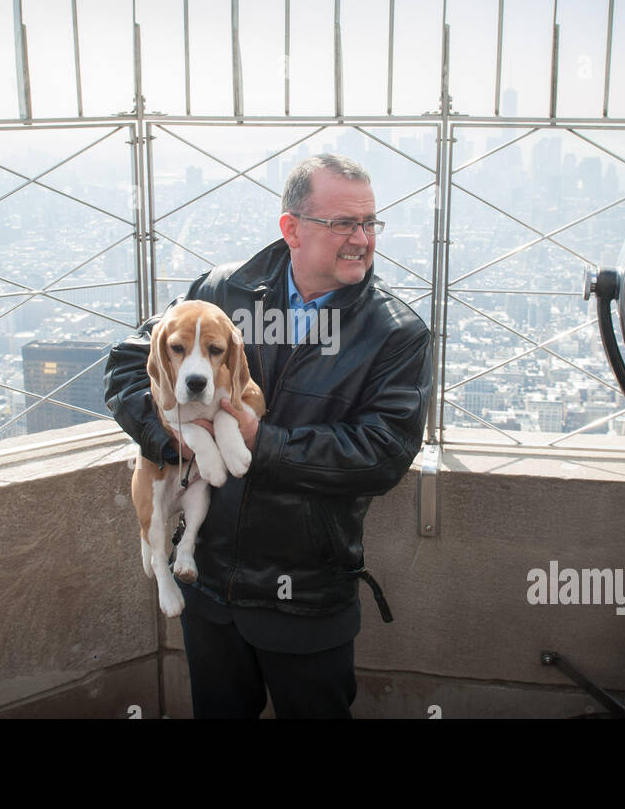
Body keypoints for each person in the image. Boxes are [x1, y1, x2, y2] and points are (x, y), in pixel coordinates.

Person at [103, 154, 432, 718]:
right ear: (292, 228)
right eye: (343, 224)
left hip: (308, 598)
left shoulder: (395, 334)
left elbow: (382, 456)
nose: (361, 239)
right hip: (208, 588)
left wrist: (261, 441)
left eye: (370, 223)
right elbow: (129, 367)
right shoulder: (220, 291)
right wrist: (170, 442)